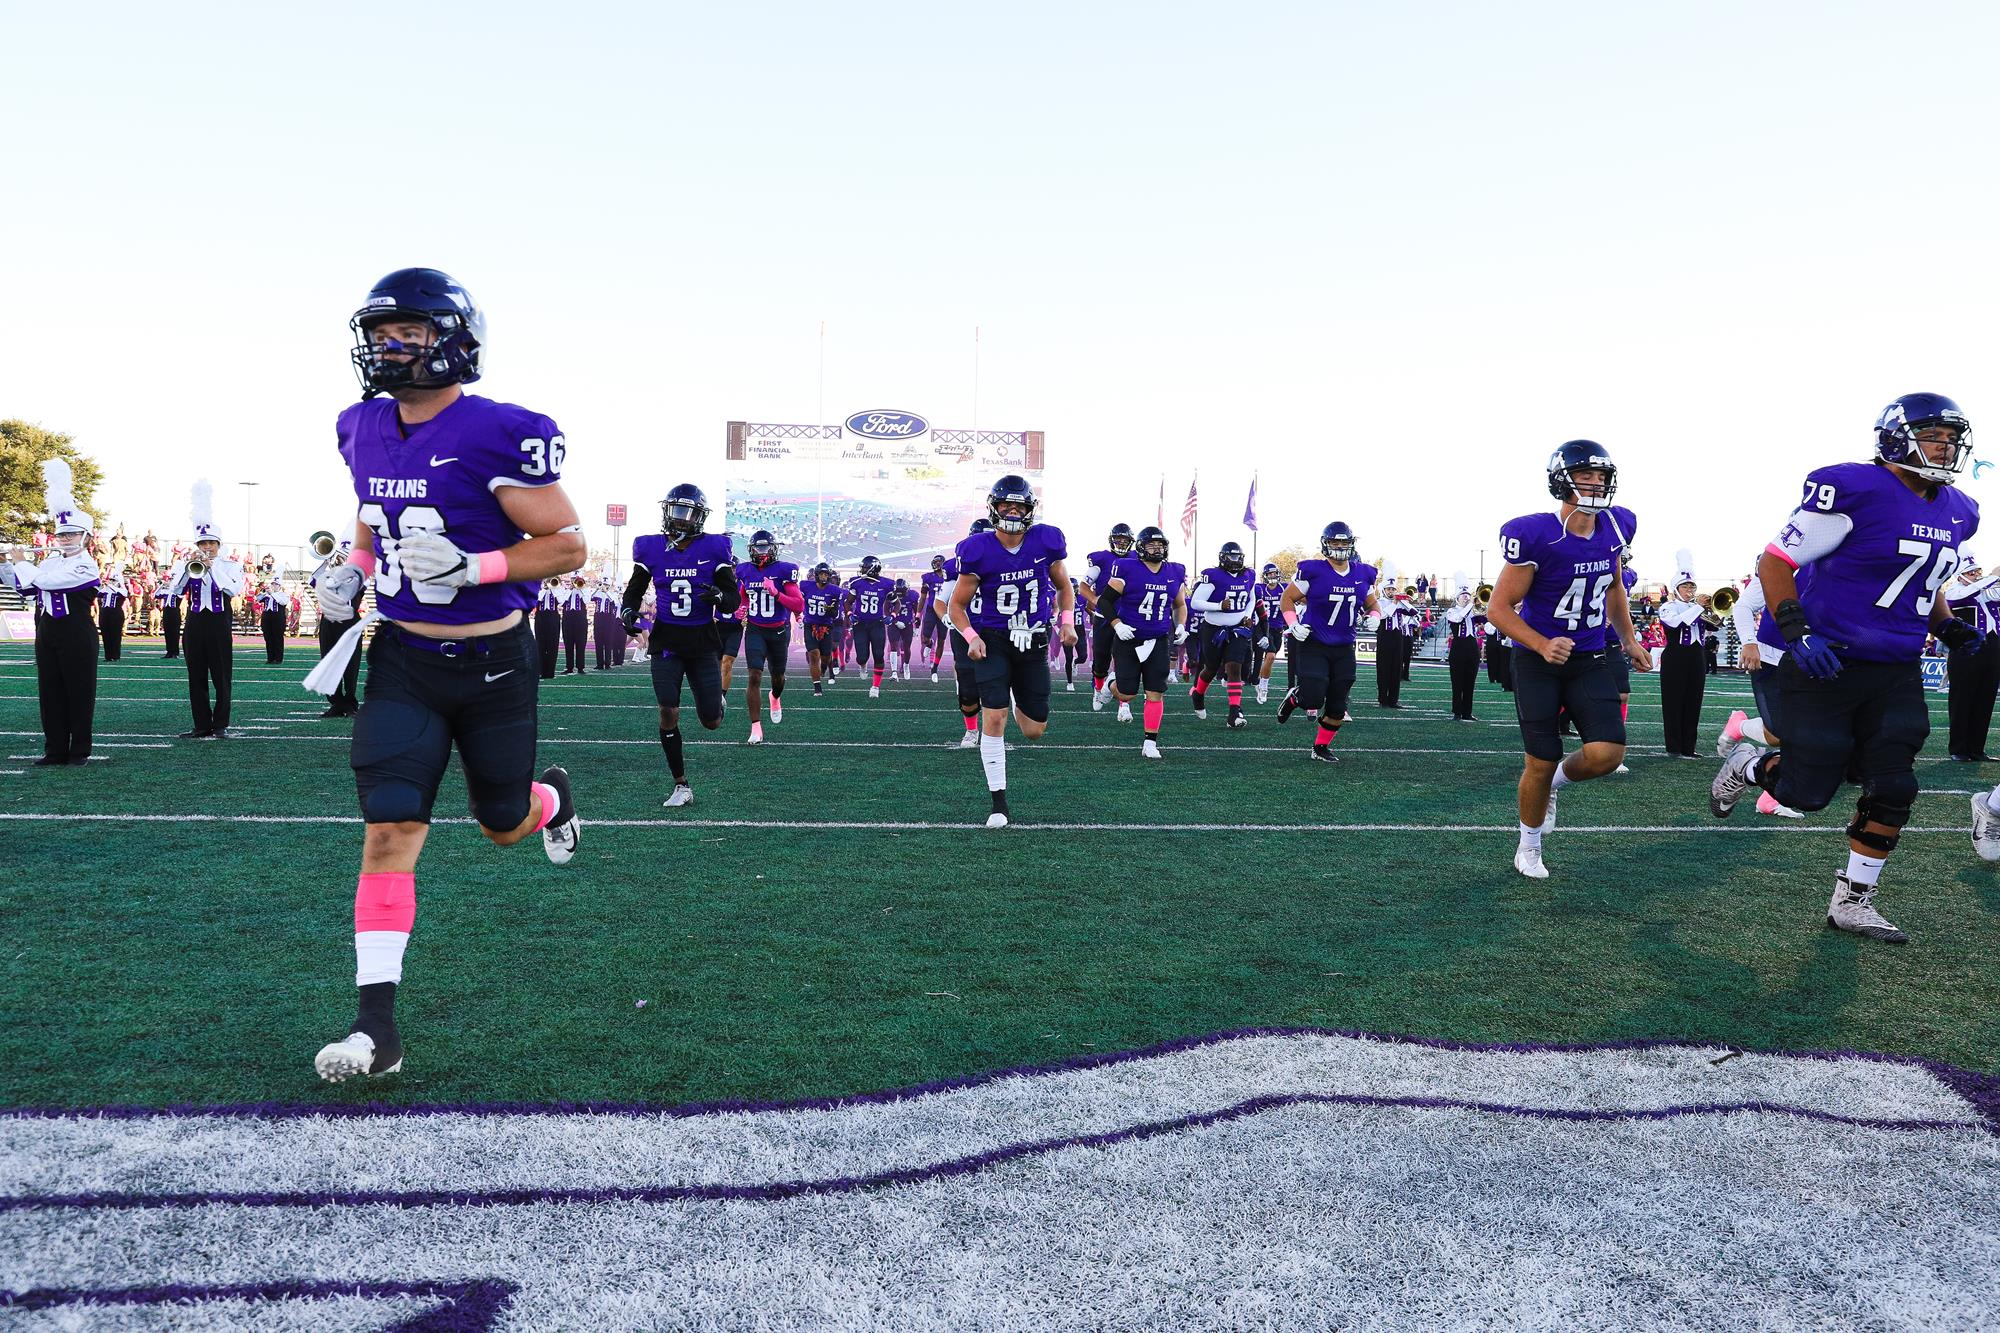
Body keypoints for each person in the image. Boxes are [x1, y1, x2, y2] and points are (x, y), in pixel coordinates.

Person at [311, 266, 585, 1084]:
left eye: (409, 334)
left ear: (454, 341)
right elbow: (371, 512)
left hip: (496, 661)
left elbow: (568, 545)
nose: (389, 349)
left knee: (502, 822)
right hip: (403, 659)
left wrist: (476, 563)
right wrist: (352, 567)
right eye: (380, 335)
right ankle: (375, 1028)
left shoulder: (500, 430)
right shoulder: (359, 425)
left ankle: (551, 798)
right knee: (390, 829)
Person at [1716, 393, 1979, 942]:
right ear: (1896, 438)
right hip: (1828, 662)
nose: (1944, 447)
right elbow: (1775, 560)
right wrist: (1796, 629)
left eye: (1951, 438)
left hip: (1897, 668)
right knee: (1807, 792)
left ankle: (1853, 901)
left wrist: (1948, 625)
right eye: (1933, 435)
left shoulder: (1960, 508)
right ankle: (1745, 764)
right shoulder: (1855, 488)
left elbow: (1921, 582)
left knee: (1894, 785)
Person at [1485, 441, 1650, 879]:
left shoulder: (1617, 526)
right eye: (1586, 475)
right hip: (1538, 659)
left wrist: (1629, 639)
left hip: (1590, 654)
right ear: (1562, 479)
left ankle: (1555, 784)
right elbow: (1498, 609)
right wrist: (1540, 644)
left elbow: (1614, 587)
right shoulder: (1538, 534)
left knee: (1608, 754)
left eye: (1601, 475)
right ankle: (1529, 845)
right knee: (1539, 758)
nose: (1596, 482)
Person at [946, 476, 1075, 826]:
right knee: (994, 717)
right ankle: (998, 804)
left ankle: (1015, 696)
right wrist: (972, 635)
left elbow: (1064, 587)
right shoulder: (978, 549)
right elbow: (957, 606)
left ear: (1031, 509)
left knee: (1034, 731)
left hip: (1033, 638)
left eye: (1020, 505)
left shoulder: (1047, 541)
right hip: (994, 639)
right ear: (994, 508)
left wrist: (1066, 621)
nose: (1013, 511)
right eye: (1006, 505)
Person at [624, 482, 737, 808]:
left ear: (699, 516)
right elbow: (634, 590)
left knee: (711, 721)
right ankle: (681, 785)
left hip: (702, 641)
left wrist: (718, 595)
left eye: (687, 512)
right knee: (667, 710)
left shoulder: (715, 548)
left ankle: (718, 704)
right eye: (675, 510)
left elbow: (731, 599)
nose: (680, 518)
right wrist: (628, 610)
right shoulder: (652, 548)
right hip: (667, 640)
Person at [0, 462, 100, 766]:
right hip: (47, 631)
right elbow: (26, 589)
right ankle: (54, 749)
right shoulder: (50, 562)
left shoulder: (86, 565)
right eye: (61, 535)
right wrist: (6, 564)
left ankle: (79, 750)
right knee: (50, 692)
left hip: (77, 632)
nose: (64, 540)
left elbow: (47, 583)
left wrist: (22, 563)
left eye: (71, 535)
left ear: (86, 537)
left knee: (79, 692)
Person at [1276, 521, 1378, 761]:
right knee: (1313, 696)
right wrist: (1293, 624)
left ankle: (1320, 747)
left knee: (1337, 706)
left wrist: (1374, 615)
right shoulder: (1313, 570)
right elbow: (1287, 599)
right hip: (1315, 642)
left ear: (1352, 544)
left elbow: (1372, 603)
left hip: (1344, 645)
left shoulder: (1363, 573)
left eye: (1344, 542)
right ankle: (1295, 697)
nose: (1340, 547)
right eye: (1335, 542)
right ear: (1326, 544)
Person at [1714, 566, 1804, 819]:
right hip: (1772, 658)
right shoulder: (1788, 555)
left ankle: (1770, 798)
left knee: (1806, 733)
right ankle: (1740, 729)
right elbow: (1744, 606)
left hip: (1811, 659)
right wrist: (1748, 642)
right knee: (1780, 735)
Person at [167, 482, 246, 740]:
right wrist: (188, 566)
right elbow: (176, 591)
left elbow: (230, 591)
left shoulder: (231, 566)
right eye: (203, 543)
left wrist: (212, 567)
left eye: (211, 543)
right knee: (196, 675)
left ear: (219, 544)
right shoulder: (187, 563)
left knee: (222, 676)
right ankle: (201, 724)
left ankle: (221, 723)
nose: (207, 547)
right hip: (194, 623)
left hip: (219, 623)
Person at [1102, 525, 1189, 759]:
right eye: (1151, 544)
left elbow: (1180, 604)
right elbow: (1105, 602)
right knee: (1127, 694)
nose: (1156, 548)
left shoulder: (1174, 571)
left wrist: (1181, 625)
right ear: (1140, 547)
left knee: (1155, 692)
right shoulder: (1127, 568)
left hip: (1158, 640)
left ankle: (1150, 742)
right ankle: (1111, 682)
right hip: (1129, 638)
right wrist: (1117, 625)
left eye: (1160, 544)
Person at [735, 529, 802, 744]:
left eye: (764, 547)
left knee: (778, 678)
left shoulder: (784, 570)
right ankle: (756, 727)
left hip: (779, 630)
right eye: (757, 547)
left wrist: (776, 593)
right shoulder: (744, 570)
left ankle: (775, 697)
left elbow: (798, 604)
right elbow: (745, 595)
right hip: (755, 629)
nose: (760, 551)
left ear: (773, 549)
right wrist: (742, 608)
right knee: (754, 675)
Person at [931, 519, 993, 747]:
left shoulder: (1006, 564)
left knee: (995, 681)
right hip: (965, 630)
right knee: (967, 686)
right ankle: (971, 730)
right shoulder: (955, 566)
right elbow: (940, 602)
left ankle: (993, 730)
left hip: (994, 629)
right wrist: (946, 616)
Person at [1189, 540, 1254, 728]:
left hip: (1237, 629)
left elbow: (1252, 598)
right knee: (1211, 668)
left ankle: (1234, 712)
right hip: (1214, 628)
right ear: (1222, 558)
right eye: (1231, 557)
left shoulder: (1248, 575)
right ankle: (1198, 694)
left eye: (1237, 557)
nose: (1234, 561)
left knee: (1235, 667)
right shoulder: (1213, 576)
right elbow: (1195, 602)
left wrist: (1247, 615)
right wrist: (1218, 606)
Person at [1944, 555, 2000, 761]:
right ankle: (1959, 749)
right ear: (1960, 576)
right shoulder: (1954, 590)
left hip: (1993, 646)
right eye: (1971, 572)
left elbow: (1994, 594)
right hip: (1965, 648)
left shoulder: (1986, 591)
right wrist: (1992, 576)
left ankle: (1977, 749)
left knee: (1986, 697)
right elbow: (1964, 595)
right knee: (1962, 698)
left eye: (1978, 571)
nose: (1977, 575)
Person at [1654, 556, 1708, 757]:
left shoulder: (1696, 608)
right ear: (1676, 589)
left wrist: (1710, 610)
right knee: (1673, 701)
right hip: (1675, 656)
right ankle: (1674, 747)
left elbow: (1715, 624)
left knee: (1694, 700)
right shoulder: (1669, 607)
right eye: (1685, 587)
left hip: (1697, 656)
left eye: (1692, 587)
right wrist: (1699, 607)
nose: (1690, 591)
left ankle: (1689, 747)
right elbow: (1676, 624)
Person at [1081, 522, 1136, 710]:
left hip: (1127, 617)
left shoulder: (1137, 559)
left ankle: (1123, 704)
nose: (1121, 543)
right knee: (1101, 659)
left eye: (1125, 540)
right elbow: (1083, 586)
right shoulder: (1102, 559)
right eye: (1118, 539)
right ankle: (1098, 689)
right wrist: (1096, 600)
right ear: (1111, 540)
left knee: (1124, 660)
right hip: (1104, 617)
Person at [311, 540, 364, 718]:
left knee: (350, 662)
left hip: (349, 620)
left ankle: (350, 703)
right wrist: (327, 560)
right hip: (329, 621)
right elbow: (313, 578)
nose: (341, 559)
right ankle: (336, 703)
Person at [846, 556, 895, 697]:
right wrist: (850, 614)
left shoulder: (886, 584)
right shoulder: (856, 583)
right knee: (862, 657)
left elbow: (896, 603)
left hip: (877, 624)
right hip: (860, 624)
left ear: (873, 569)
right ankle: (863, 665)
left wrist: (892, 616)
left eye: (865, 568)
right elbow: (848, 602)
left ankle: (875, 687)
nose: (862, 570)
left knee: (879, 655)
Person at [1443, 578, 1483, 721]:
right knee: (1457, 681)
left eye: (1468, 594)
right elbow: (1458, 619)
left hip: (1472, 646)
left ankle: (1467, 712)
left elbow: (1486, 618)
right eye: (1463, 594)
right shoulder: (1452, 611)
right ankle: (1457, 712)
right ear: (1457, 597)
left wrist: (1484, 605)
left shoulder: (1473, 610)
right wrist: (1471, 604)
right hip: (1458, 647)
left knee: (1470, 681)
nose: (1467, 597)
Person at [802, 562, 841, 694]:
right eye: (821, 574)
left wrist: (830, 610)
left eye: (826, 574)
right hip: (810, 624)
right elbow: (796, 597)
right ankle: (817, 687)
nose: (824, 577)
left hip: (826, 626)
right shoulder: (805, 586)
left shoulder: (834, 591)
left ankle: (823, 670)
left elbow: (835, 614)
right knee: (814, 654)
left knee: (825, 657)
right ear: (816, 575)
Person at [1252, 561, 1287, 704]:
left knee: (1269, 658)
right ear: (1265, 576)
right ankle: (1263, 687)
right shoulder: (1259, 588)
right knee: (1271, 656)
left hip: (1278, 629)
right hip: (1263, 627)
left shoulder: (1285, 588)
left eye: (1274, 573)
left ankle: (1260, 681)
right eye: (1270, 574)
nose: (1272, 576)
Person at [920, 554, 950, 681]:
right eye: (935, 562)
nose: (936, 564)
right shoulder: (928, 578)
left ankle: (935, 668)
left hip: (944, 611)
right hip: (931, 610)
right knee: (925, 637)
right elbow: (922, 597)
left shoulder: (949, 577)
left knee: (942, 640)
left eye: (938, 562)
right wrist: (917, 614)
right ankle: (929, 644)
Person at [97, 563, 127, 661]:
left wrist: (111, 585)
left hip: (116, 613)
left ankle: (115, 655)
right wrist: (102, 584)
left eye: (113, 580)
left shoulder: (122, 590)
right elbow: (97, 593)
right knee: (105, 634)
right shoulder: (106, 589)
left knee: (115, 634)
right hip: (105, 613)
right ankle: (108, 656)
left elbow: (123, 594)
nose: (111, 582)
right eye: (111, 580)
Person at [559, 575, 589, 674]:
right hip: (567, 617)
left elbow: (586, 601)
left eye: (576, 580)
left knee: (581, 642)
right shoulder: (565, 590)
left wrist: (580, 589)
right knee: (568, 643)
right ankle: (569, 667)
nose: (574, 582)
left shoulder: (585, 590)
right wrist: (569, 590)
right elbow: (561, 602)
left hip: (580, 618)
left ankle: (580, 667)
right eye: (573, 579)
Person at [532, 578, 562, 679]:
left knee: (553, 645)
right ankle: (540, 671)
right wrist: (544, 589)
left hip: (553, 617)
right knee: (540, 644)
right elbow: (536, 601)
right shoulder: (539, 590)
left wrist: (553, 589)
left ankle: (550, 672)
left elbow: (561, 601)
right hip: (540, 616)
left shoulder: (558, 589)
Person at [257, 578, 289, 664]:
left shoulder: (283, 595)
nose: (273, 586)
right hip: (267, 617)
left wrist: (273, 594)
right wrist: (263, 592)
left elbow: (282, 602)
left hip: (278, 617)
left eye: (275, 584)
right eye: (272, 584)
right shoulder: (267, 595)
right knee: (268, 637)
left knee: (278, 637)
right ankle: (270, 658)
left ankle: (278, 658)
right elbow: (258, 599)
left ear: (279, 586)